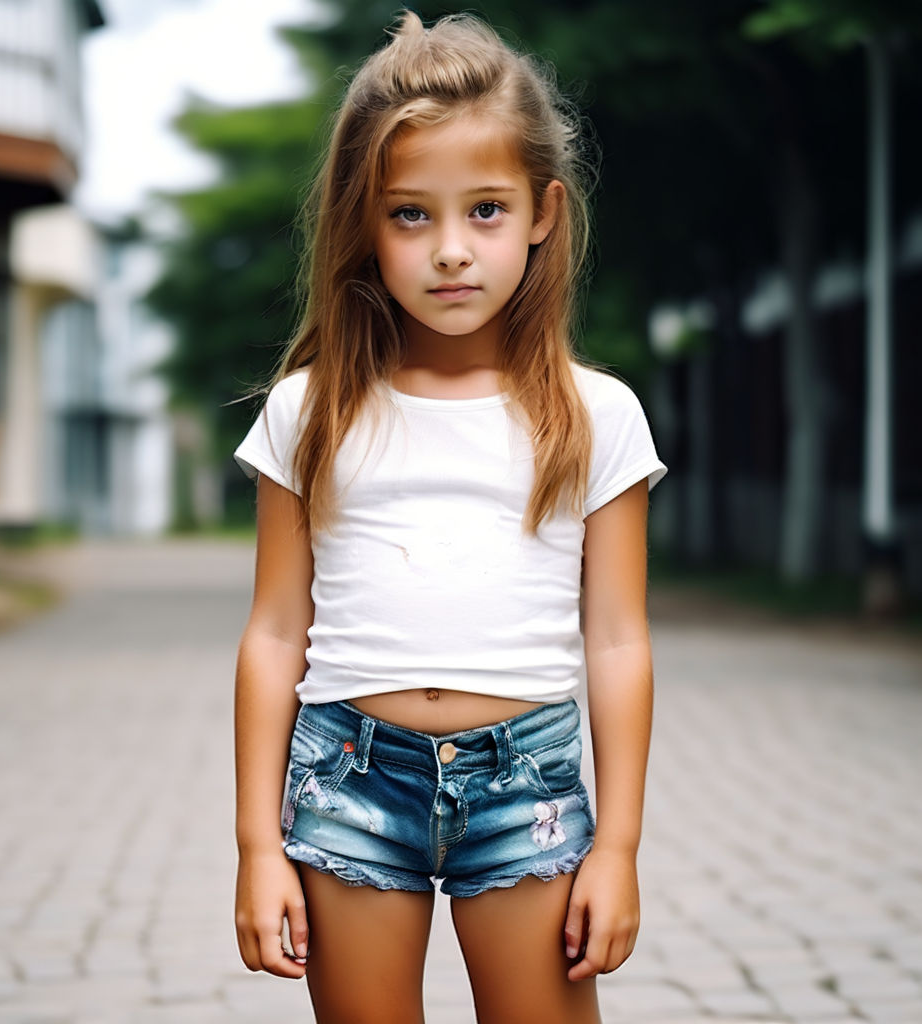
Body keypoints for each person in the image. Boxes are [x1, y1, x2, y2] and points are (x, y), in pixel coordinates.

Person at [231, 11, 667, 1024]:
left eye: (486, 210)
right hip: (347, 776)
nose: (452, 251)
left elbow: (617, 638)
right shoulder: (309, 409)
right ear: (363, 221)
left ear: (543, 212)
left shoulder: (595, 413)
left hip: (528, 783)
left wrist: (618, 848)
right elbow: (274, 631)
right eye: (410, 215)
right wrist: (257, 847)